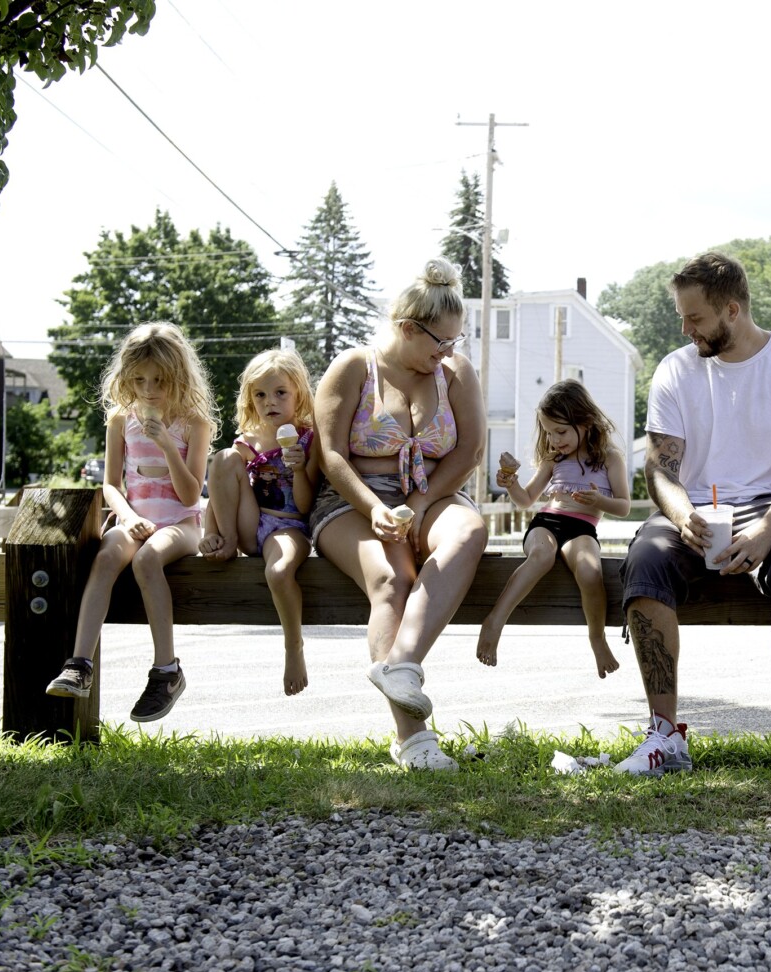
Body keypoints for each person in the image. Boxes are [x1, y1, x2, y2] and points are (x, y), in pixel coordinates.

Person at [616, 251, 771, 780]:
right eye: (682, 317)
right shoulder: (676, 367)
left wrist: (767, 529)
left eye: (695, 318)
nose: (685, 328)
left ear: (733, 311)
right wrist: (679, 514)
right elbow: (660, 467)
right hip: (695, 505)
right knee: (645, 561)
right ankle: (664, 733)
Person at [311, 258, 487, 771]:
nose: (447, 353)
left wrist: (420, 502)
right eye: (439, 343)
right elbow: (331, 454)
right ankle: (414, 741)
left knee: (470, 531)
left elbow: (469, 451)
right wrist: (377, 508)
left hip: (432, 491)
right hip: (353, 498)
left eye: (454, 344)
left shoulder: (453, 373)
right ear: (408, 329)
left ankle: (402, 665)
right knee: (392, 578)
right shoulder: (353, 366)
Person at [45, 322, 216, 722]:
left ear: (178, 378)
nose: (149, 389)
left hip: (180, 524)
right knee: (106, 557)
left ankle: (166, 671)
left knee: (146, 560)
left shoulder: (194, 423)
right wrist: (128, 516)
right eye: (139, 380)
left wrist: (165, 445)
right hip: (135, 517)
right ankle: (79, 664)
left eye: (159, 380)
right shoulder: (121, 420)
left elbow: (192, 494)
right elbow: (110, 484)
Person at [477, 379, 630, 678]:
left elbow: (624, 506)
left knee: (590, 571)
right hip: (546, 523)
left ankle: (596, 638)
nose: (554, 439)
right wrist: (512, 484)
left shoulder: (609, 458)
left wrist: (599, 499)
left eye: (560, 431)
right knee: (541, 556)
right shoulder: (553, 458)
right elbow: (525, 500)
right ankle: (495, 620)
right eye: (549, 432)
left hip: (583, 529)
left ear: (585, 421)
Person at [199, 348, 318, 696]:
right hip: (251, 525)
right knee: (222, 459)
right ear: (250, 399)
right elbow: (221, 490)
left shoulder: (309, 438)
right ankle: (227, 543)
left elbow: (305, 504)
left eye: (281, 392)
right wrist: (210, 530)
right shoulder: (248, 441)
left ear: (299, 394)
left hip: (288, 526)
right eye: (261, 395)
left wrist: (298, 467)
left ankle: (293, 647)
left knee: (279, 572)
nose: (271, 402)